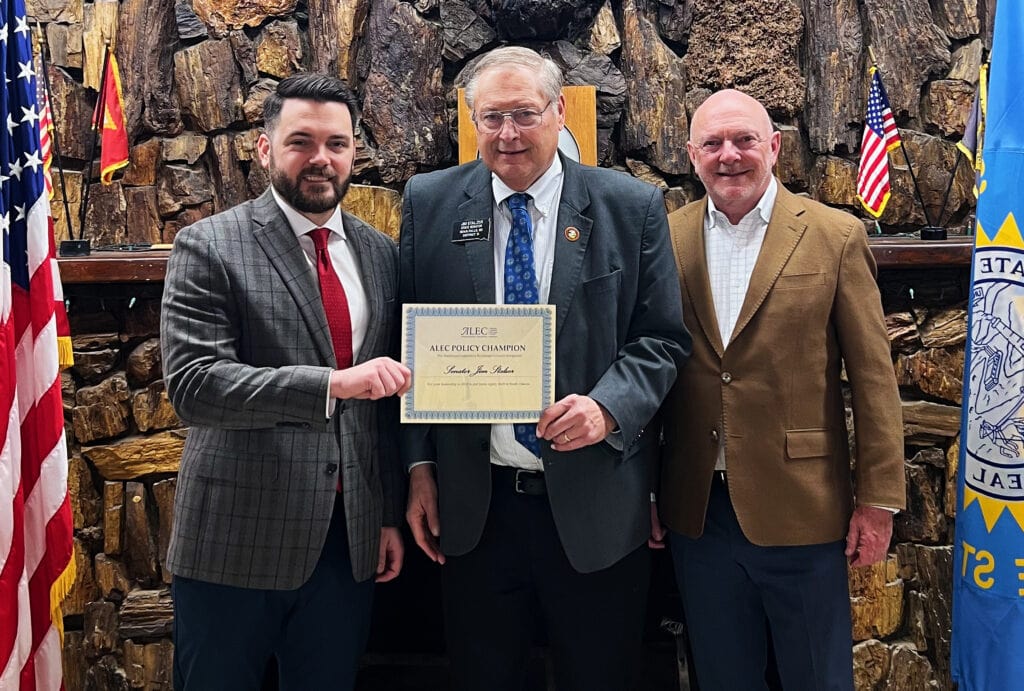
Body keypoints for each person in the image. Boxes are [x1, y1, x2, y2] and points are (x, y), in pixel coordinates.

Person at [400, 46, 690, 691]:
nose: (508, 134)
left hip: (595, 504)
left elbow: (661, 341)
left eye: (524, 114)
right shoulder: (429, 202)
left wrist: (607, 407)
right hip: (476, 507)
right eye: (492, 117)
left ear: (560, 112)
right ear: (473, 120)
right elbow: (410, 343)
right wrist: (418, 466)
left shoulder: (631, 205)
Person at [160, 73, 411, 691]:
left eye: (337, 143)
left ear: (355, 152)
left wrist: (381, 516)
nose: (321, 159)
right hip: (233, 540)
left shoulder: (380, 253)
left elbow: (376, 412)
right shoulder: (207, 245)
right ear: (265, 148)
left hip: (344, 549)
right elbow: (195, 384)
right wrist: (331, 384)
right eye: (301, 141)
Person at [658, 89, 906, 690]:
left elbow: (874, 380)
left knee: (817, 679)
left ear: (774, 147)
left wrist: (878, 501)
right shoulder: (665, 238)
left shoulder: (834, 236)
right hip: (698, 515)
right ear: (692, 156)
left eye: (744, 140)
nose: (729, 155)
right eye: (712, 143)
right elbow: (652, 367)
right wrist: (645, 489)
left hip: (804, 510)